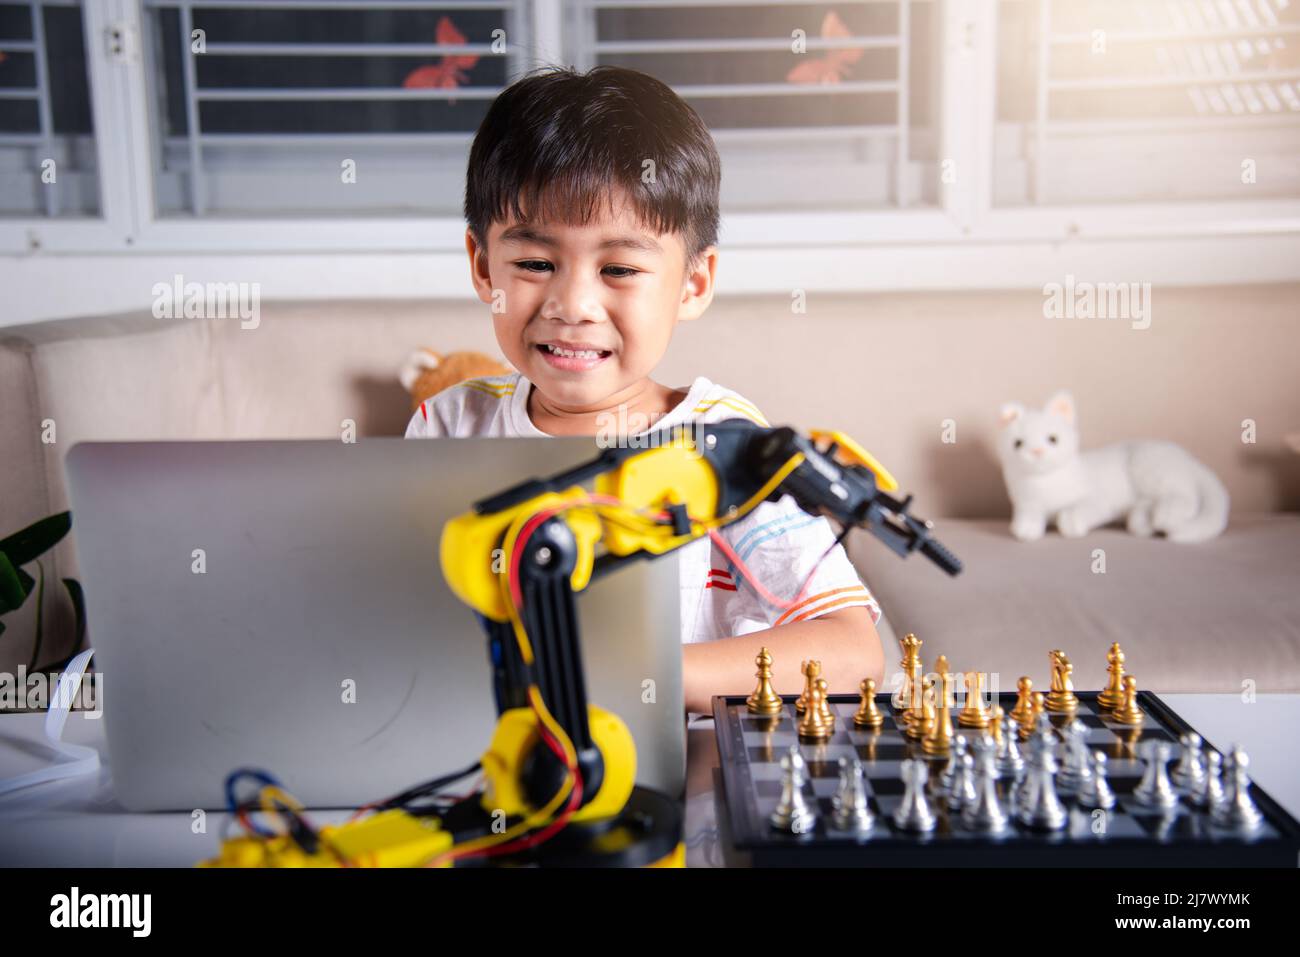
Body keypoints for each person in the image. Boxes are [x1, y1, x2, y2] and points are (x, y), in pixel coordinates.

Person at [405, 65, 884, 713]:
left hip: (676, 786)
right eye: (534, 264)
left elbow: (852, 654)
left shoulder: (726, 445)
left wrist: (628, 675)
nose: (572, 304)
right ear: (482, 266)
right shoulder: (445, 425)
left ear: (693, 283)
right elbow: (397, 628)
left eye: (620, 268)